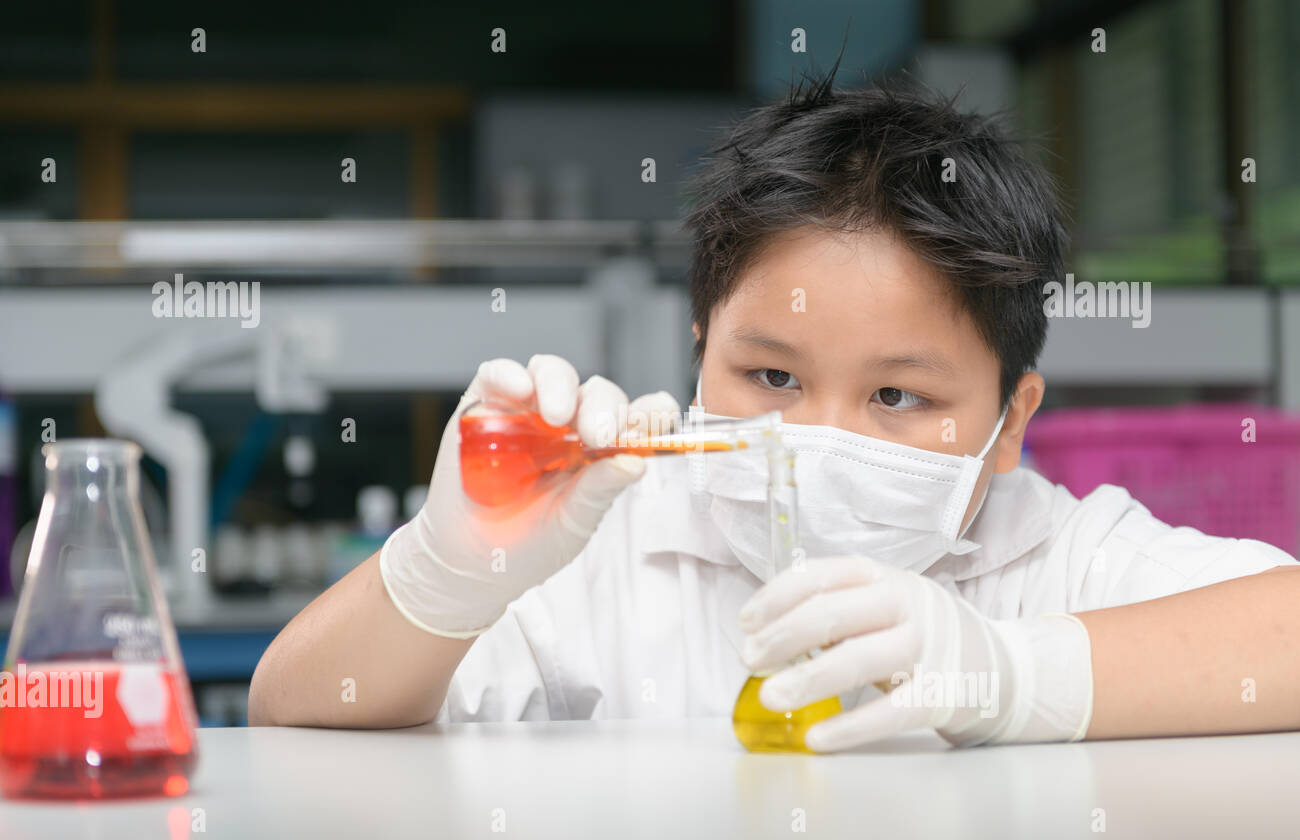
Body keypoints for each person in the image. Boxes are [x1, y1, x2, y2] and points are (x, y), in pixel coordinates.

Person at [249, 72, 1300, 750]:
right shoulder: (603, 546)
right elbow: (290, 708)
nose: (816, 441)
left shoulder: (1049, 551)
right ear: (698, 347)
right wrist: (449, 570)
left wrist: (1007, 672)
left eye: (896, 394)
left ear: (1009, 421)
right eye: (771, 378)